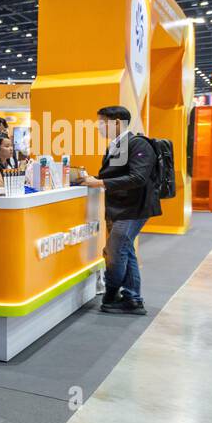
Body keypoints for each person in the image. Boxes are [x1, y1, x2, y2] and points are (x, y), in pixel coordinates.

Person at [81, 105, 161, 315]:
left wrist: (100, 183)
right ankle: (133, 299)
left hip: (133, 209)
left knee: (115, 253)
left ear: (117, 122)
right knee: (126, 251)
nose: (98, 126)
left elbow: (138, 178)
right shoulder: (116, 145)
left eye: (101, 121)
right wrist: (96, 179)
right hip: (118, 207)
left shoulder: (137, 144)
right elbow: (116, 174)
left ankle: (112, 294)